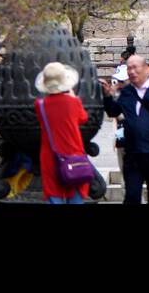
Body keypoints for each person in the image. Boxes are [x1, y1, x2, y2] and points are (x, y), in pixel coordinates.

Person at [101, 54, 149, 205]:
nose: (131, 71)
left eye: (135, 67)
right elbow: (113, 112)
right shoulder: (127, 92)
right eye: (129, 68)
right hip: (133, 153)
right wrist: (108, 96)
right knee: (132, 196)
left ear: (146, 69)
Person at [34, 61, 91, 204]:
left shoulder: (39, 105)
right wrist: (72, 96)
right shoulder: (73, 102)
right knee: (76, 195)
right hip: (73, 154)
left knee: (54, 196)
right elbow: (83, 118)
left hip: (51, 157)